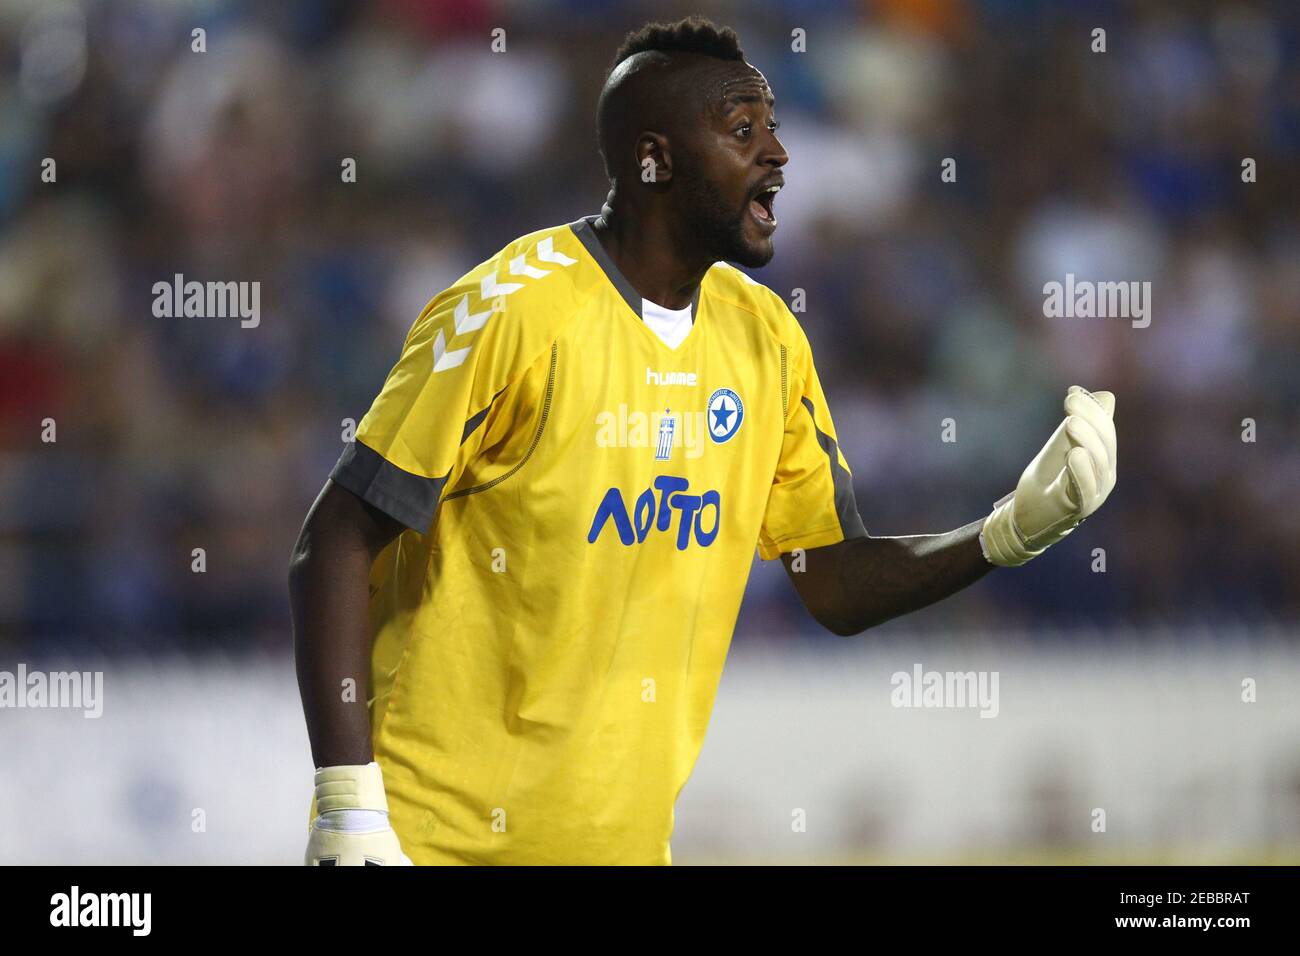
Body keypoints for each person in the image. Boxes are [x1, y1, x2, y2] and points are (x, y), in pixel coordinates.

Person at [289, 16, 1117, 866]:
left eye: (774, 128)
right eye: (742, 130)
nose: (779, 155)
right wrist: (349, 806)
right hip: (428, 847)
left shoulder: (766, 339)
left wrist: (1007, 532)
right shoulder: (513, 311)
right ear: (655, 159)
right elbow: (337, 538)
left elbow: (832, 579)